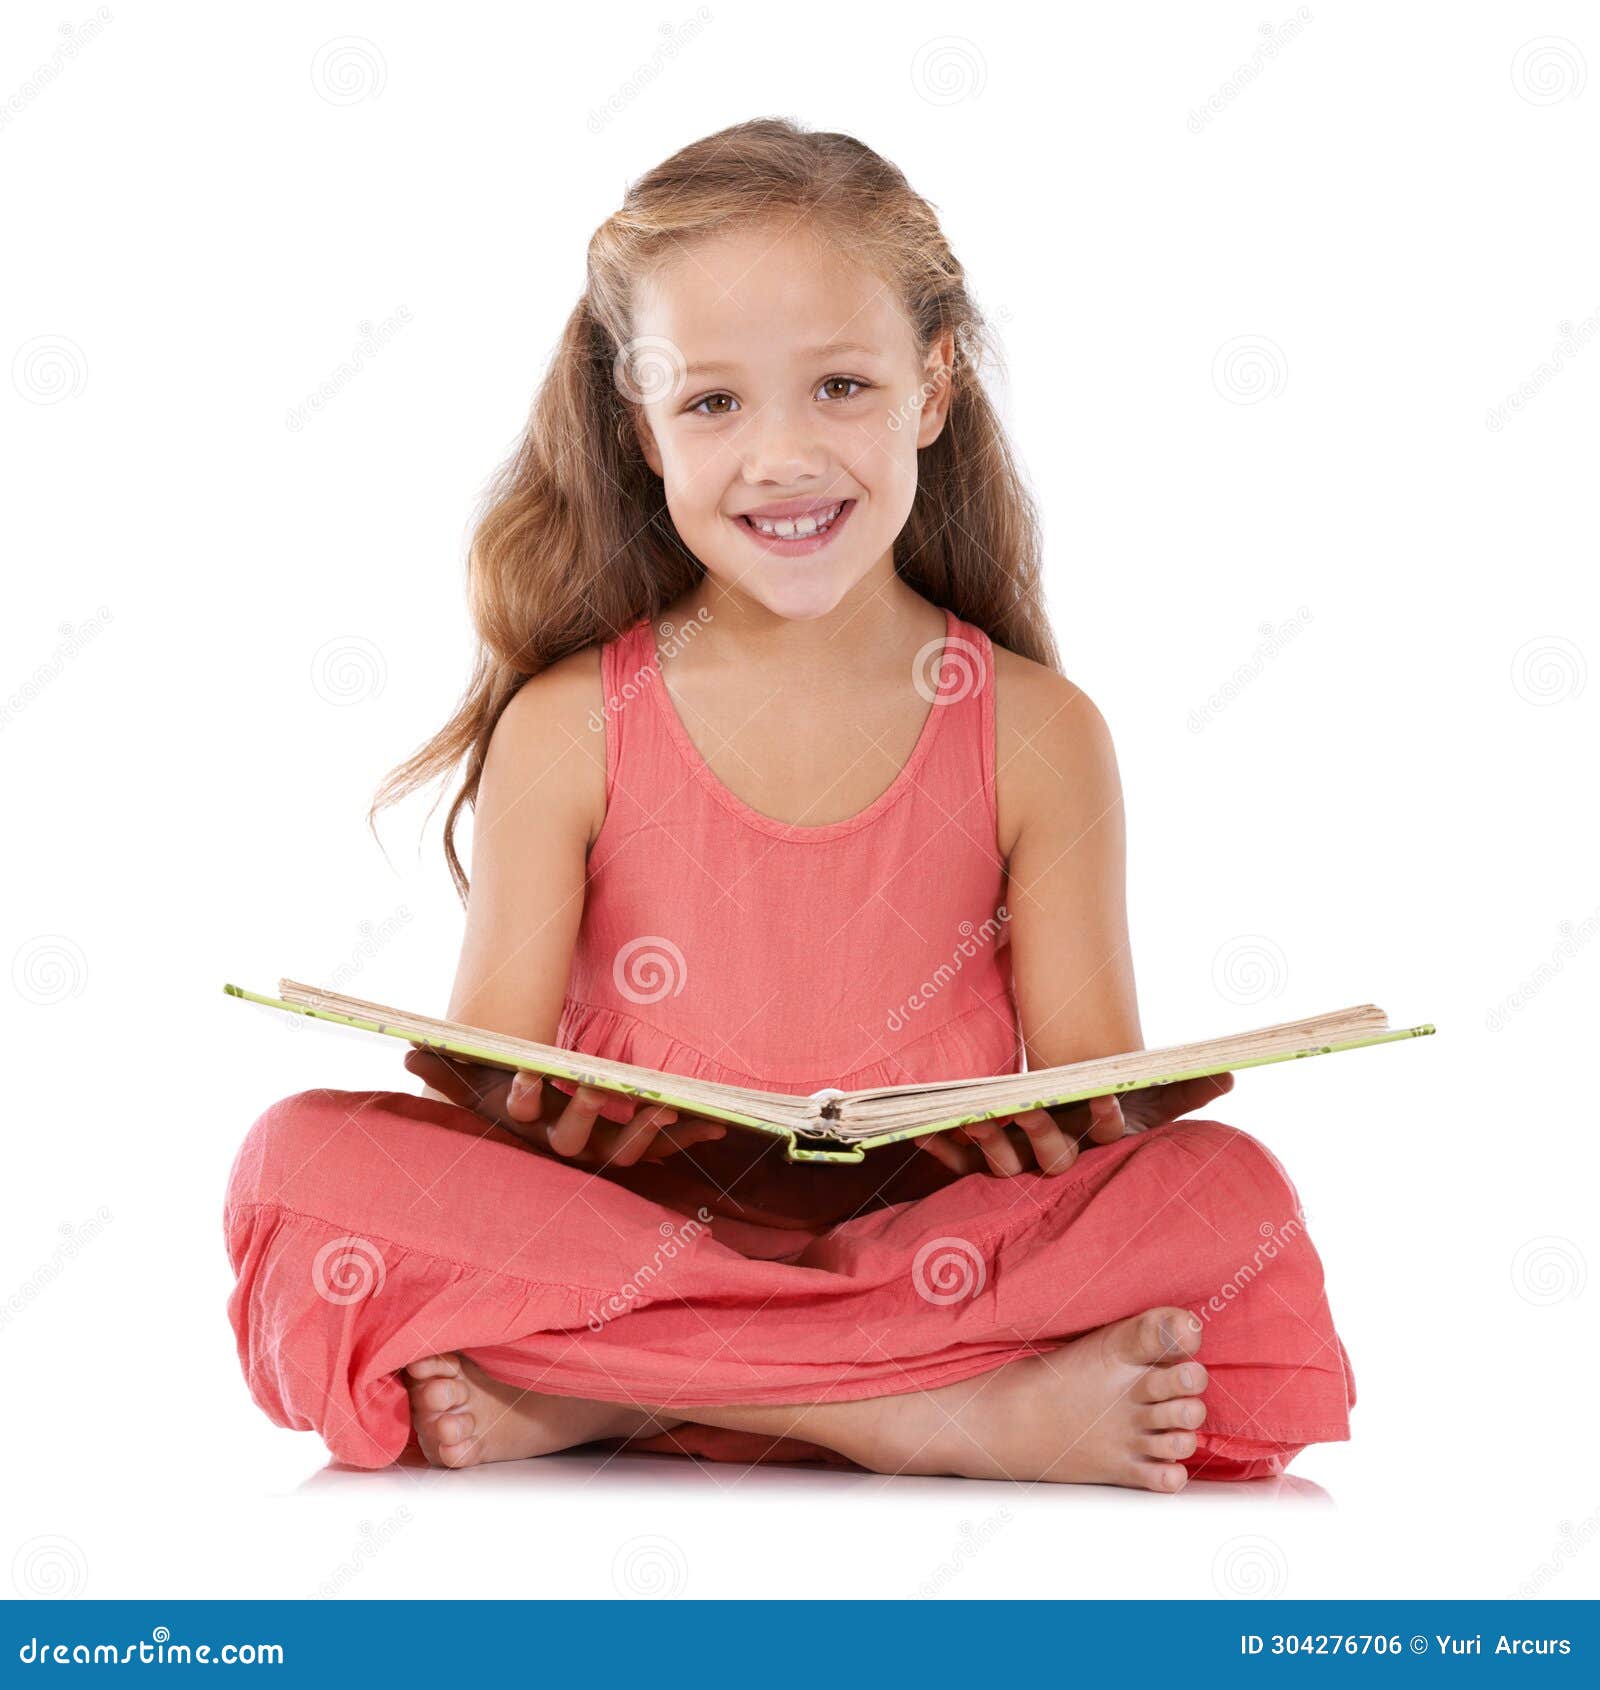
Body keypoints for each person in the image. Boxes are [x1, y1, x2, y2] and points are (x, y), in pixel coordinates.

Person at [224, 118, 1354, 1491]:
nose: (783, 455)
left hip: (936, 1260)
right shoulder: (570, 726)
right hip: (629, 1249)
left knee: (1227, 1197)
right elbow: (494, 1103)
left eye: (840, 386)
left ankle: (609, 1392)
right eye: (714, 403)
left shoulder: (1039, 733)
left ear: (933, 386)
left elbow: (1095, 1125)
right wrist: (541, 1119)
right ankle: (915, 1412)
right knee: (295, 1167)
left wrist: (1066, 1125)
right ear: (640, 426)